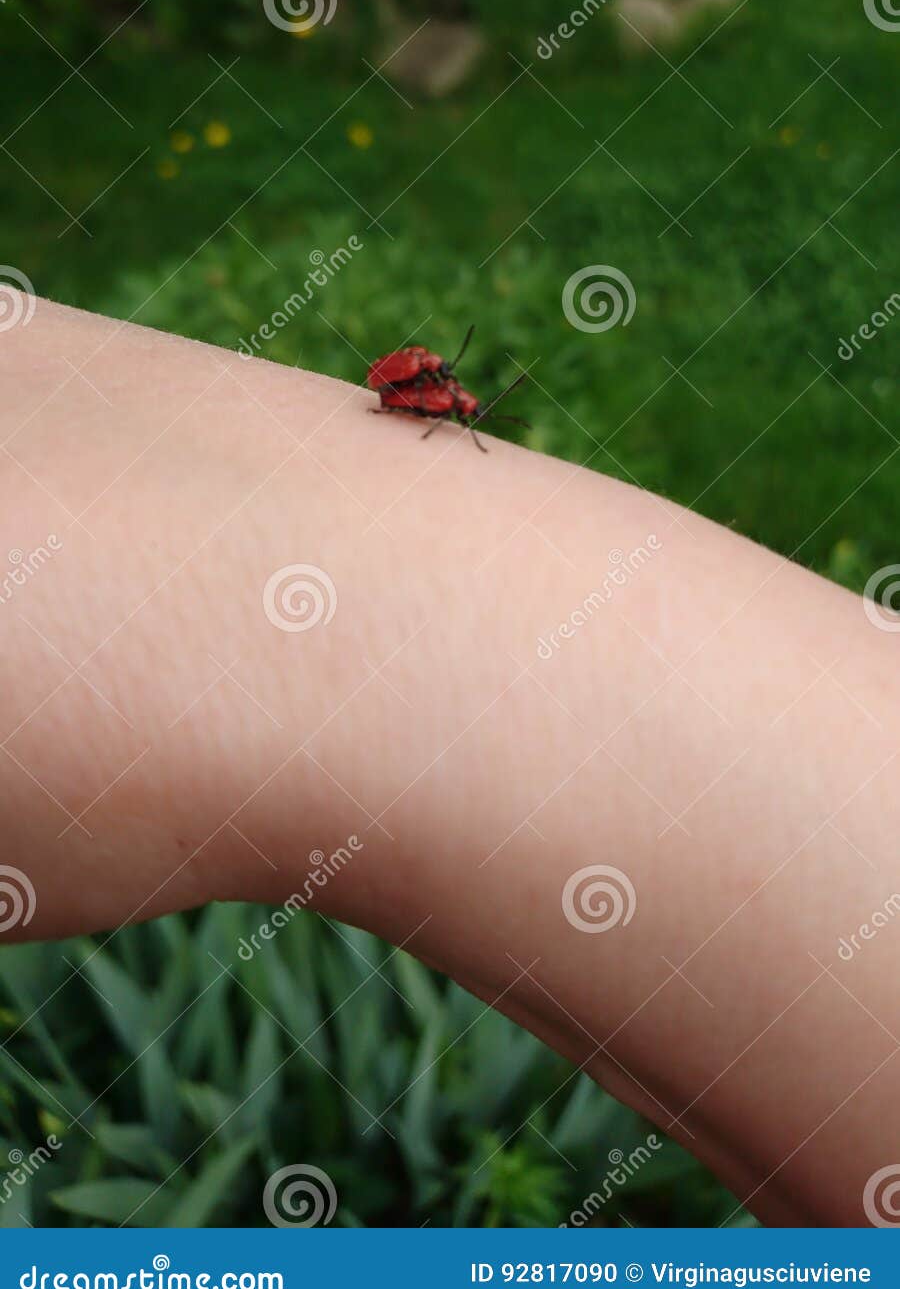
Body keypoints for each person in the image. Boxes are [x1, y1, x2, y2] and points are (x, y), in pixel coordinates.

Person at [2, 294, 898, 1227]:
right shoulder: (423, 395)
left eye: (453, 403)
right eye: (456, 402)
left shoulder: (433, 405)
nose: (457, 407)